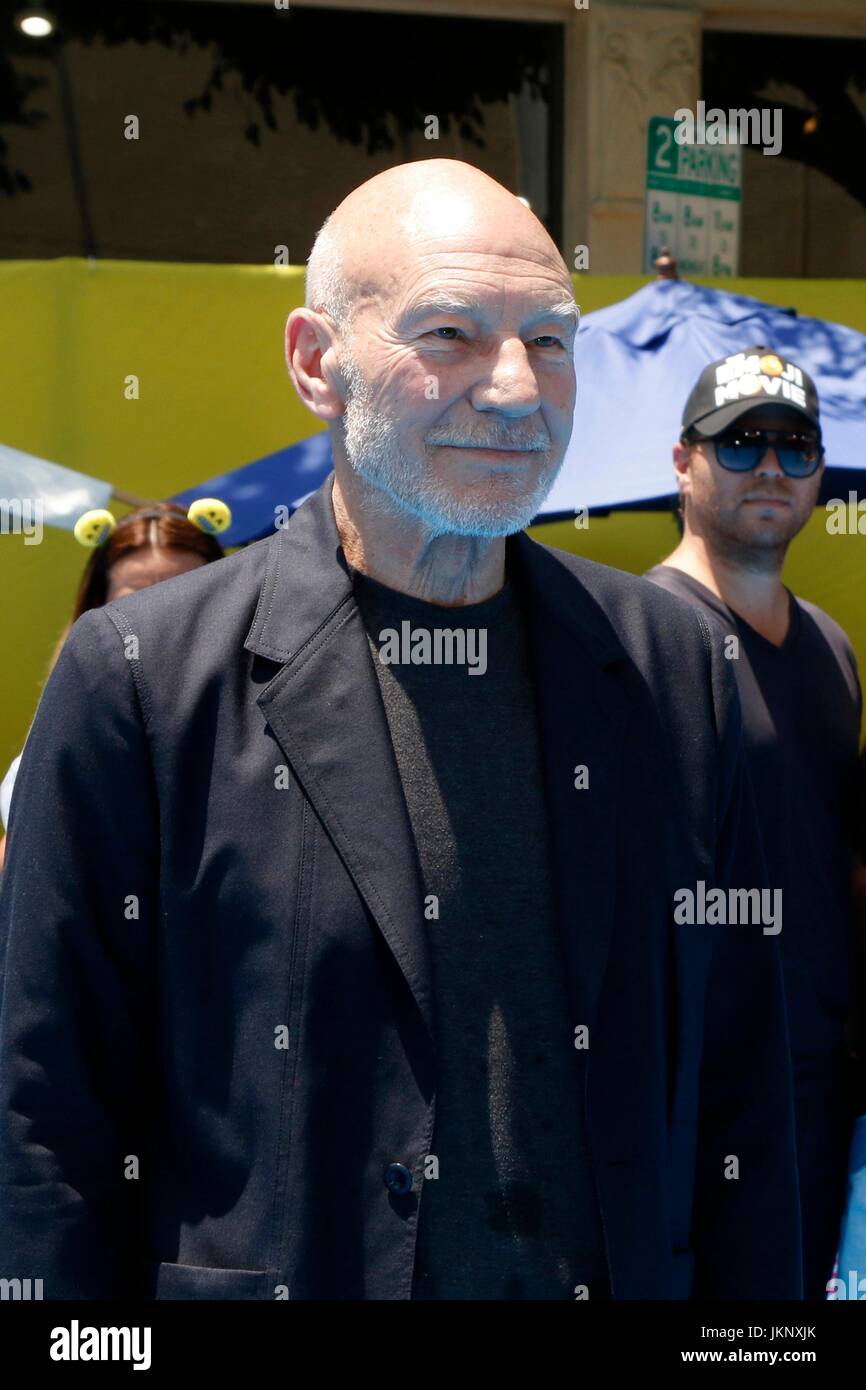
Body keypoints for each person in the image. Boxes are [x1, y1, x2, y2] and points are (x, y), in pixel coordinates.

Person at [0, 161, 801, 1301]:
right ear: (313, 363)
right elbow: (46, 1119)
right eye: (451, 334)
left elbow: (738, 1098)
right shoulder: (139, 680)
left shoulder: (672, 669)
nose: (517, 387)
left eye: (552, 340)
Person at [645, 347, 863, 1300]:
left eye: (792, 444)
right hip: (688, 1095)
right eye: (738, 445)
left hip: (820, 1084)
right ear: (682, 463)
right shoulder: (635, 633)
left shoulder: (833, 644)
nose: (769, 467)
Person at [0, 502, 225, 874]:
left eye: (186, 597)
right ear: (94, 609)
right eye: (133, 603)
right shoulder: (68, 715)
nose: (157, 623)